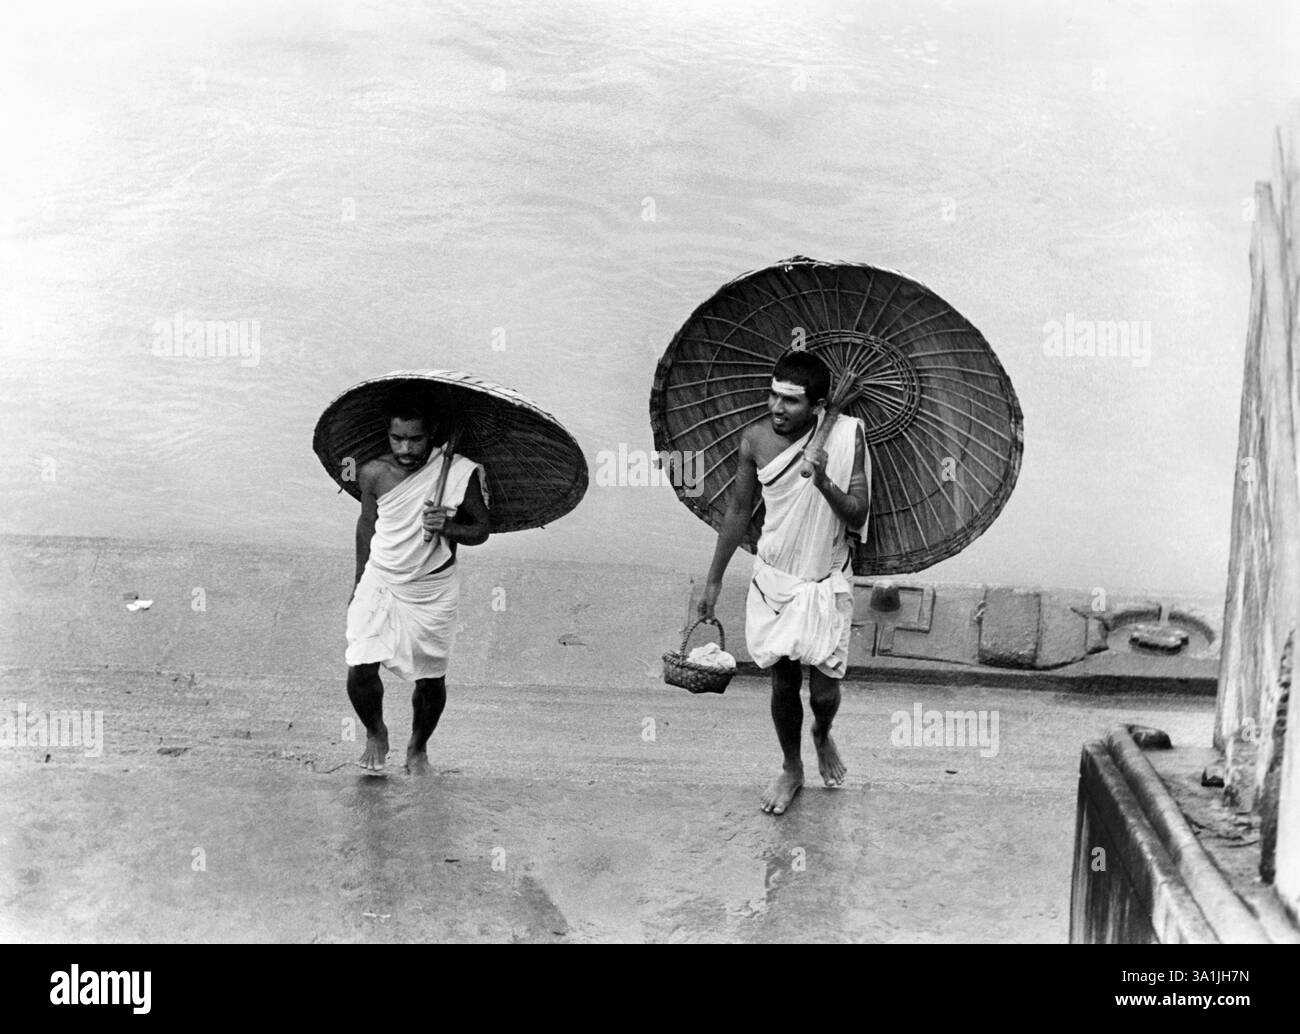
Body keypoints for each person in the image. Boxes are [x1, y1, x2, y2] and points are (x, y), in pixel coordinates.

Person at [698, 351, 871, 814]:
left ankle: (822, 731)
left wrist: (822, 483)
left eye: (791, 401)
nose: (776, 407)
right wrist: (713, 581)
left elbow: (858, 512)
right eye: (773, 394)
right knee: (783, 682)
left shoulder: (848, 436)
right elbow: (738, 511)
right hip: (774, 577)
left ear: (817, 405)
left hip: (826, 578)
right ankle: (792, 767)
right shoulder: (754, 439)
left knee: (824, 691)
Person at [344, 397, 490, 774]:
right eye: (397, 439)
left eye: (416, 439)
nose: (406, 448)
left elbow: (481, 529)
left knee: (430, 679)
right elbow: (366, 525)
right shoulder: (373, 472)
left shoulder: (460, 473)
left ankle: (418, 746)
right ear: (387, 435)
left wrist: (448, 526)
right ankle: (375, 731)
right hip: (382, 579)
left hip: (432, 589)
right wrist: (360, 580)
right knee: (360, 665)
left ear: (433, 436)